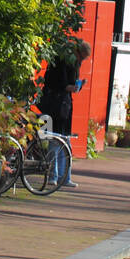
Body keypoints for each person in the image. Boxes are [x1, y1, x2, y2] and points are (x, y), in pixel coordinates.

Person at [38, 40, 91, 188]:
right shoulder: (66, 62)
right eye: (82, 58)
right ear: (77, 53)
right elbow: (62, 84)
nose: (82, 61)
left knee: (61, 140)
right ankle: (57, 176)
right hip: (59, 104)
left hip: (60, 104)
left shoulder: (67, 60)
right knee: (59, 140)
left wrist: (76, 86)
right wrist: (74, 87)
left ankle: (61, 176)